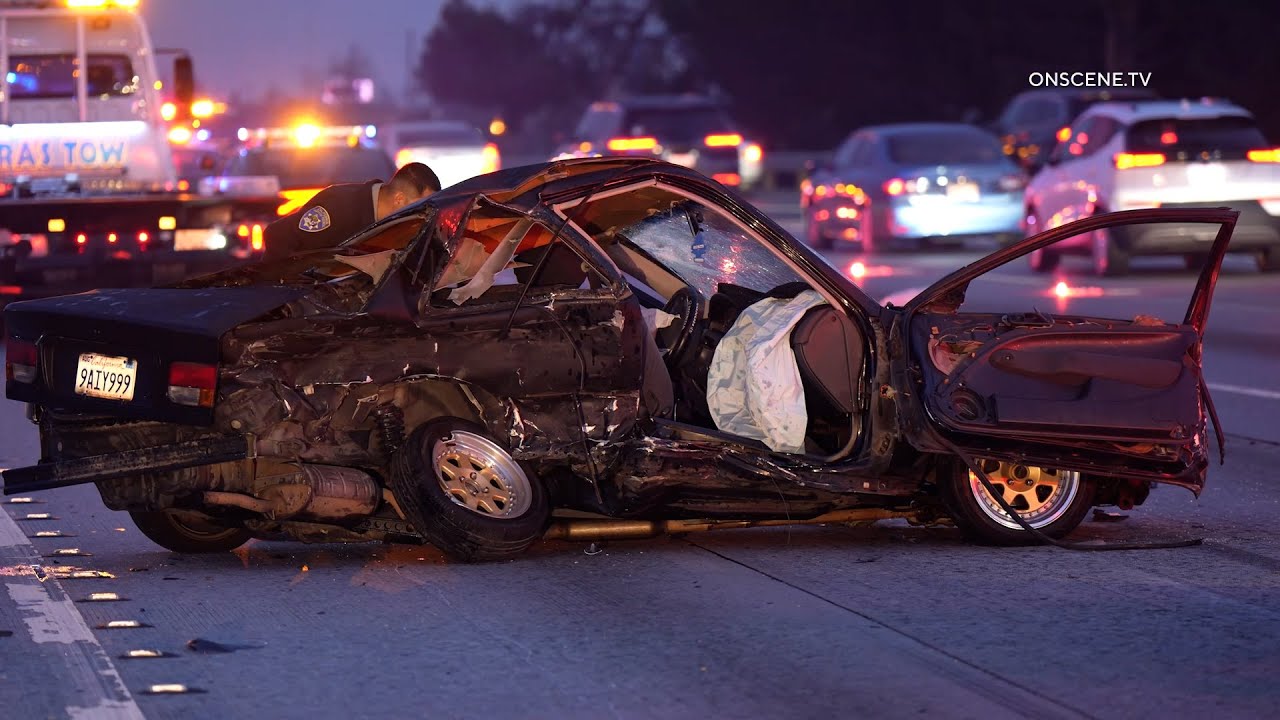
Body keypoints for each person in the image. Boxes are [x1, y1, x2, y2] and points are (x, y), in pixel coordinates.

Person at [260, 161, 440, 262]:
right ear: (399, 199)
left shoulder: (400, 226)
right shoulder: (338, 208)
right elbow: (277, 235)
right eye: (420, 205)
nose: (423, 214)